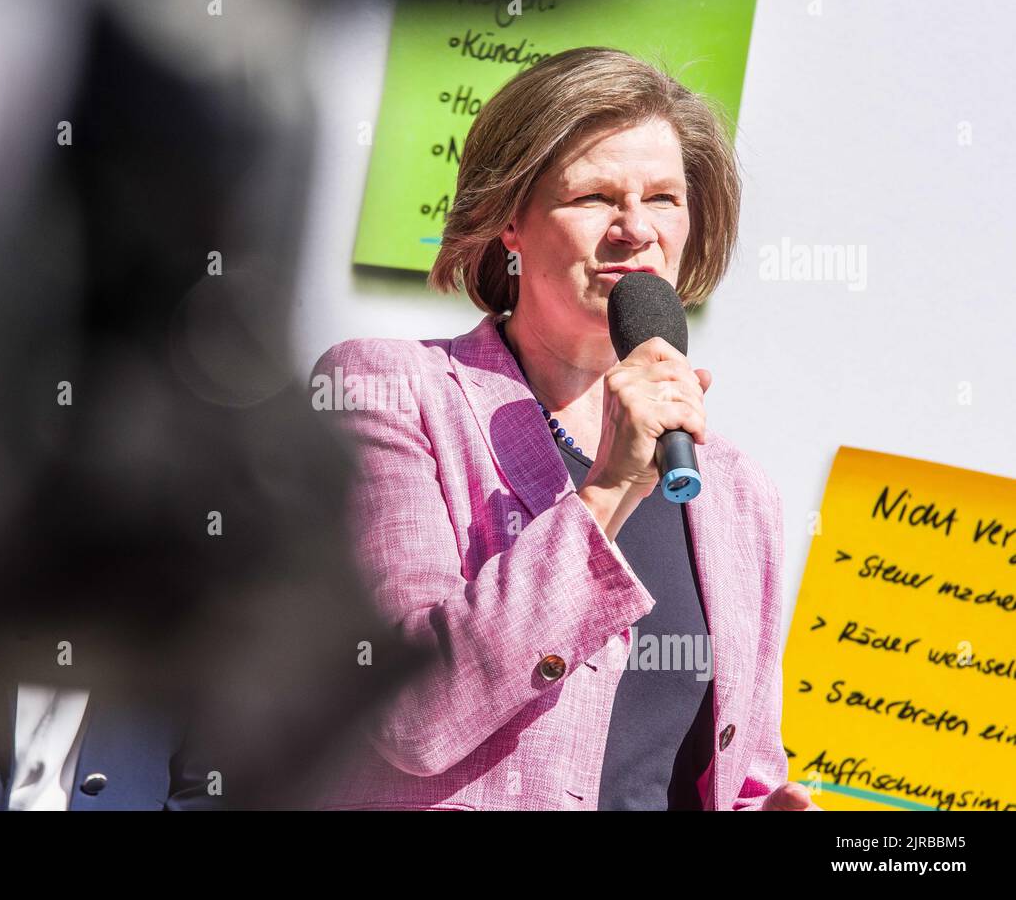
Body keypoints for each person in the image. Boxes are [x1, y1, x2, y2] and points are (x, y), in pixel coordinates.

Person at [310, 47, 818, 810]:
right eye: (595, 197)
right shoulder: (387, 391)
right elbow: (410, 714)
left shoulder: (739, 494)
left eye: (665, 199)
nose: (635, 229)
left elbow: (741, 773)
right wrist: (611, 487)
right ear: (509, 220)